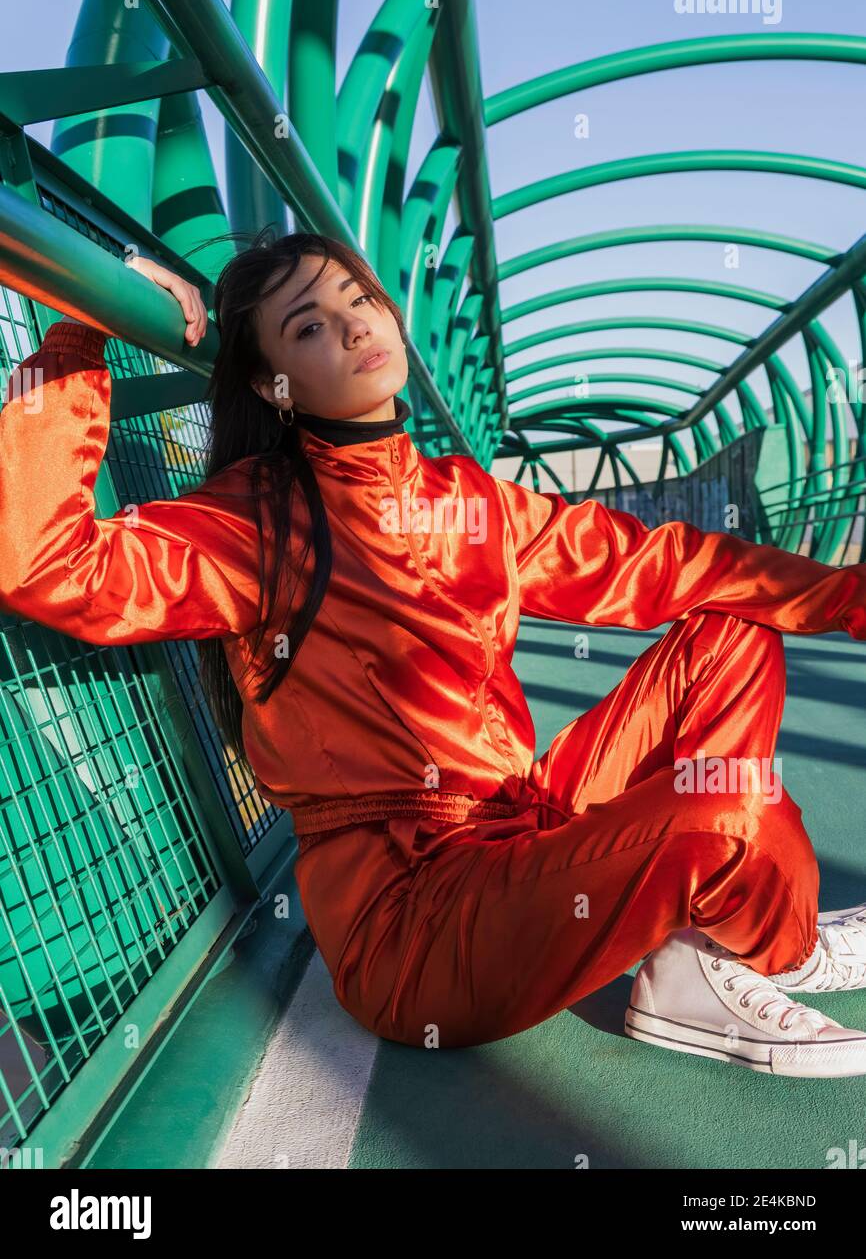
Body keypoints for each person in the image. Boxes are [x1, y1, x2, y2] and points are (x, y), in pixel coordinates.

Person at [3, 227, 866, 1078]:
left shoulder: (464, 498)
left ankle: (708, 944)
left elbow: (663, 565)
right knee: (733, 814)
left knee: (731, 628)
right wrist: (84, 333)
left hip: (522, 820)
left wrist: (849, 599)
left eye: (359, 298)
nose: (351, 327)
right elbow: (43, 561)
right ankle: (773, 944)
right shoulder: (253, 525)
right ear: (273, 385)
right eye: (308, 328)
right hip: (416, 927)